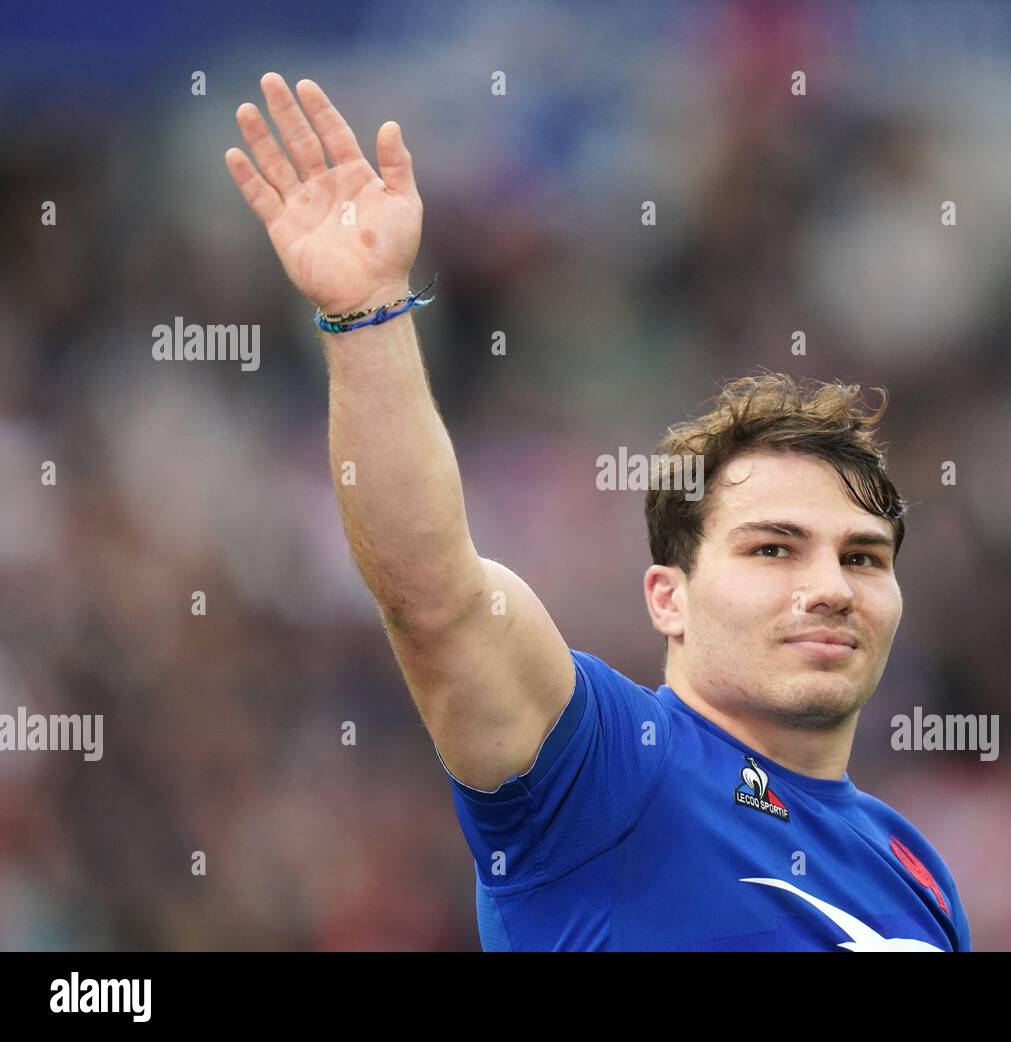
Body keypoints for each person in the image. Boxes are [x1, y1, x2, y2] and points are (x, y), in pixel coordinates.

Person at [225, 72, 972, 952]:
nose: (830, 587)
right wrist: (365, 315)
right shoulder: (616, 766)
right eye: (774, 550)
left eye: (864, 558)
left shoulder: (913, 871)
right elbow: (435, 599)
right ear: (669, 598)